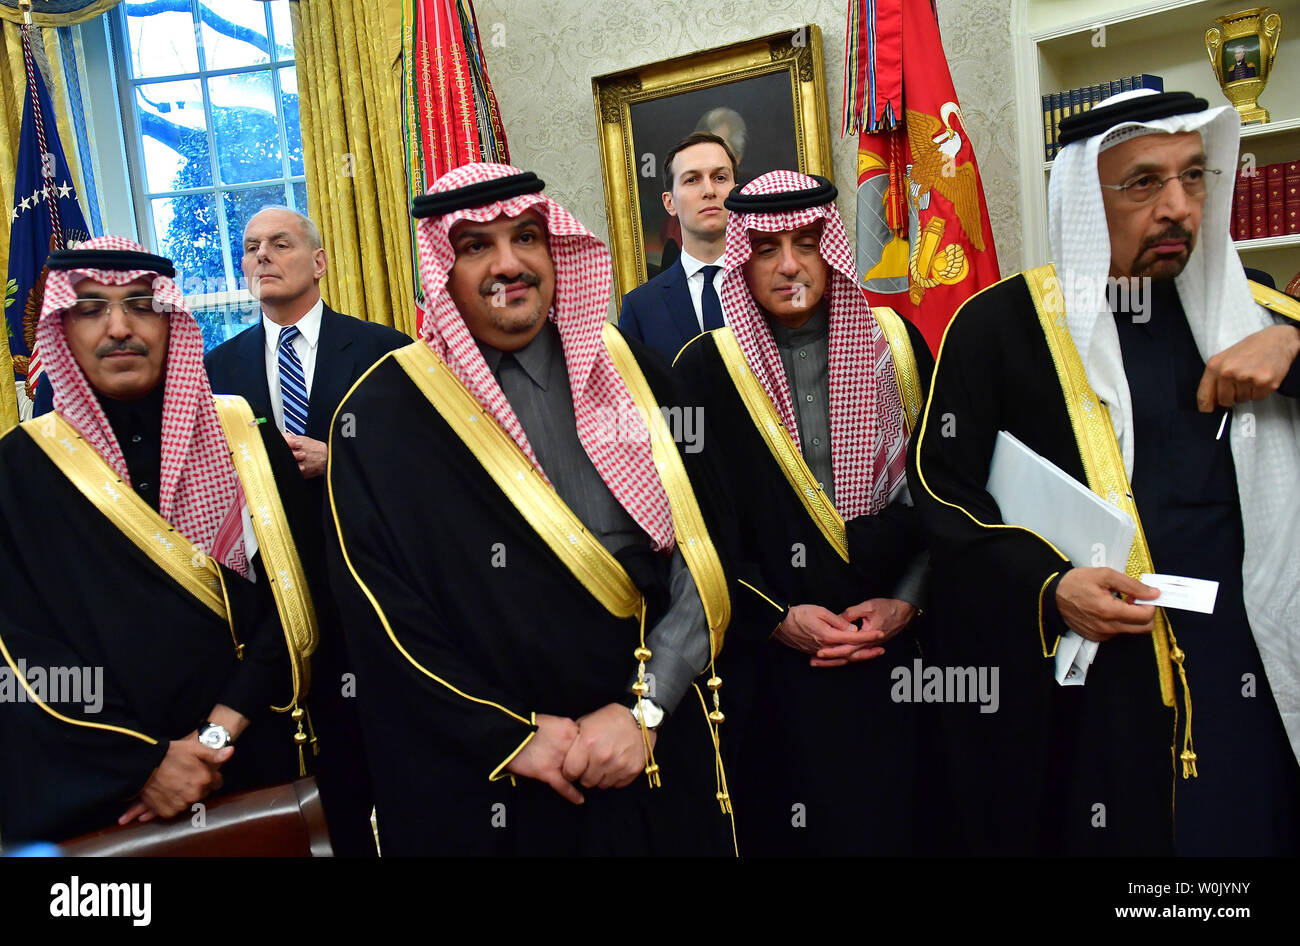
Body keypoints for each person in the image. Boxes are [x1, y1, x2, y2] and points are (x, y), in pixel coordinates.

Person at [910, 89, 1300, 855]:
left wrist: (1295, 351)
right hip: (1101, 675)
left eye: (1194, 177)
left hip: (1248, 656)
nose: (1178, 206)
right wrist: (1049, 587)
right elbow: (941, 497)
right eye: (1144, 183)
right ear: (1087, 198)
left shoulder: (1256, 315)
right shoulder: (999, 329)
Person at [326, 163, 756, 856]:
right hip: (487, 780)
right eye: (475, 247)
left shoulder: (641, 376)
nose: (509, 264)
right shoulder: (378, 419)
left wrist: (645, 708)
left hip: (646, 749)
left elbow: (707, 554)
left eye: (526, 236)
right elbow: (383, 617)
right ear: (441, 267)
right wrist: (513, 735)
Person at [0, 237, 312, 844]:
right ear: (63, 328)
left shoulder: (244, 437)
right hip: (106, 789)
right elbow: (19, 652)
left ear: (171, 320)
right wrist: (144, 765)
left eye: (141, 305)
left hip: (253, 758)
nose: (119, 327)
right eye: (91, 308)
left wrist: (216, 737)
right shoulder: (20, 469)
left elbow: (296, 601)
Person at [672, 170, 934, 855]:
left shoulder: (896, 345)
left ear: (833, 250)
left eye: (808, 242)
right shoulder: (702, 371)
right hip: (774, 671)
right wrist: (777, 619)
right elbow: (694, 531)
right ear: (740, 260)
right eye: (766, 248)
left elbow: (944, 498)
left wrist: (906, 602)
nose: (790, 264)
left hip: (895, 656)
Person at [204, 206, 407, 856]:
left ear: (318, 261)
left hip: (378, 607)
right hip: (279, 626)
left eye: (280, 244)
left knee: (403, 789)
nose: (262, 256)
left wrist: (340, 460)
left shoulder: (384, 351)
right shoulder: (217, 371)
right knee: (323, 803)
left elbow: (426, 469)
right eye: (251, 247)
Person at [620, 133, 737, 362]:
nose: (709, 190)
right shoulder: (641, 307)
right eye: (692, 180)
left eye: (720, 177)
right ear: (669, 202)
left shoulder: (767, 284)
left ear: (737, 191)